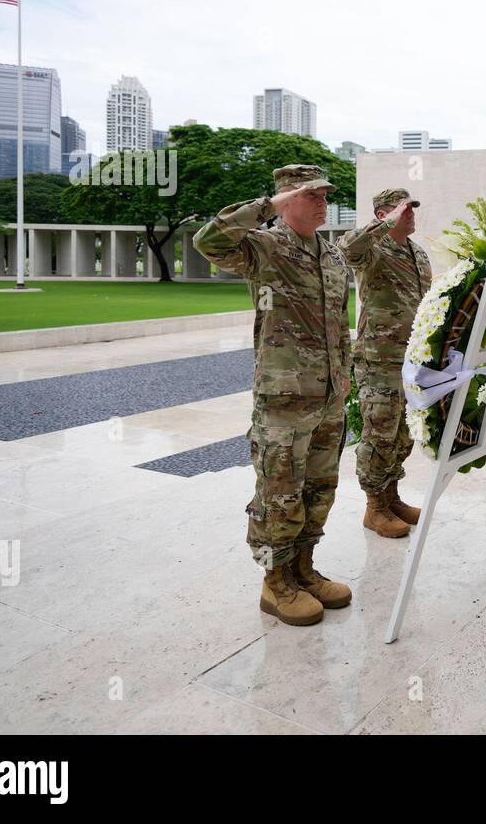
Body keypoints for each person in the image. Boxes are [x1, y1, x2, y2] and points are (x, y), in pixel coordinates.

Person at [192, 164, 353, 626]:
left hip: (327, 396)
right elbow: (209, 242)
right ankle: (275, 581)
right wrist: (265, 209)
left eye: (326, 195)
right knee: (279, 490)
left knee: (320, 488)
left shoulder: (333, 255)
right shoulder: (264, 247)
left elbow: (341, 321)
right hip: (284, 397)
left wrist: (345, 374)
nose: (324, 202)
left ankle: (303, 568)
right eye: (313, 195)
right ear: (286, 200)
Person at [339, 188, 432, 537]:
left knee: (404, 432)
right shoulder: (372, 250)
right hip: (379, 358)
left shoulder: (418, 252)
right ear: (382, 215)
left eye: (413, 208)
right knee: (379, 431)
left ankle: (391, 496)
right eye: (403, 210)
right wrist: (383, 225)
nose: (411, 214)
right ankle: (374, 507)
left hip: (412, 359)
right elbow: (347, 248)